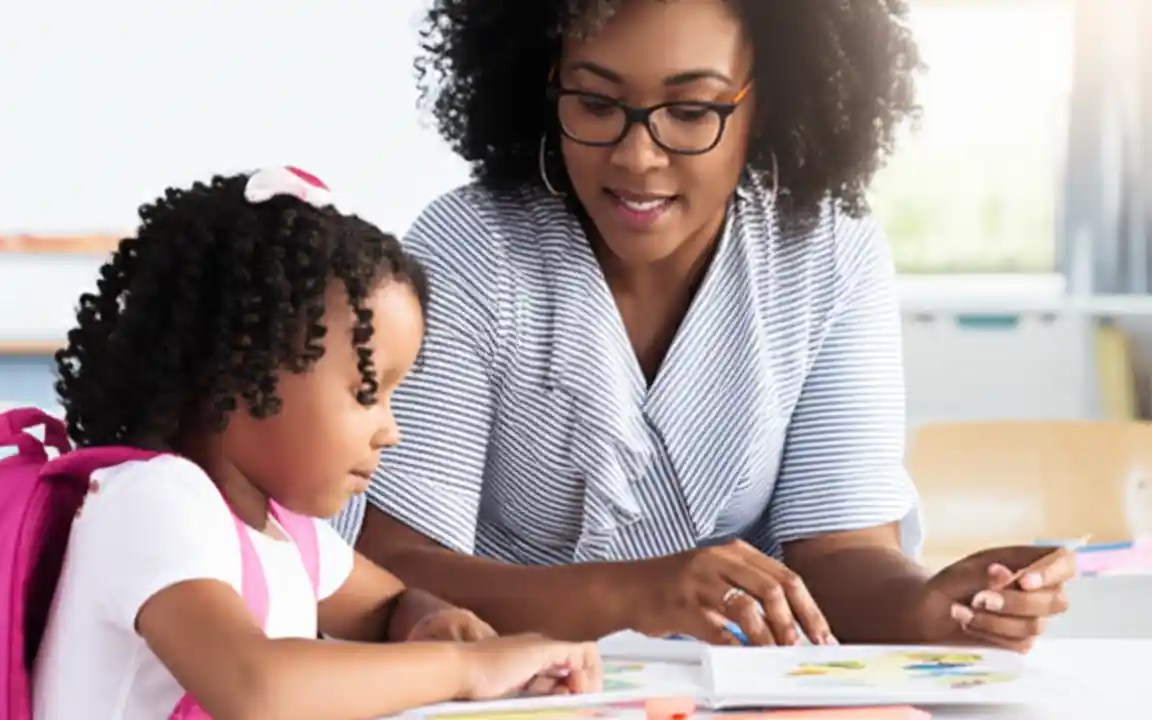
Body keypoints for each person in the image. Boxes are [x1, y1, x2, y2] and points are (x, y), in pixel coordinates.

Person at [332, 0, 1076, 653]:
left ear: (771, 102)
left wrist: (925, 606)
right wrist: (637, 595)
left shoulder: (830, 252)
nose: (636, 155)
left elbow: (841, 552)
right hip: (514, 688)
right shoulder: (472, 250)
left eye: (691, 113)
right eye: (594, 103)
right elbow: (392, 569)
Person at [34, 167, 601, 720]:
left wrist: (430, 624)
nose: (390, 429)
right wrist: (463, 667)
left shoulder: (284, 533)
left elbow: (388, 607)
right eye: (365, 393)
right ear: (240, 371)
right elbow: (256, 689)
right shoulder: (153, 501)